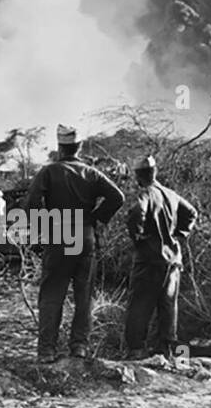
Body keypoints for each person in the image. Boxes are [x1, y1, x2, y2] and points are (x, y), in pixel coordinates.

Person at [23, 124, 125, 362]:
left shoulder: (48, 172)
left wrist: (43, 227)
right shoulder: (91, 173)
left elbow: (30, 205)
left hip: (58, 236)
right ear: (79, 147)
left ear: (60, 147)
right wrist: (96, 217)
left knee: (51, 295)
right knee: (84, 295)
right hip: (85, 237)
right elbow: (117, 197)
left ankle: (47, 351)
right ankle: (79, 347)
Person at [124, 155, 198, 359]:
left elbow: (136, 214)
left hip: (149, 259)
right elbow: (191, 213)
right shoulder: (171, 194)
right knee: (168, 306)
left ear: (138, 176)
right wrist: (180, 235)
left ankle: (136, 351)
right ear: (155, 172)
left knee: (139, 304)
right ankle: (166, 351)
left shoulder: (146, 193)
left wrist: (138, 238)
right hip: (173, 260)